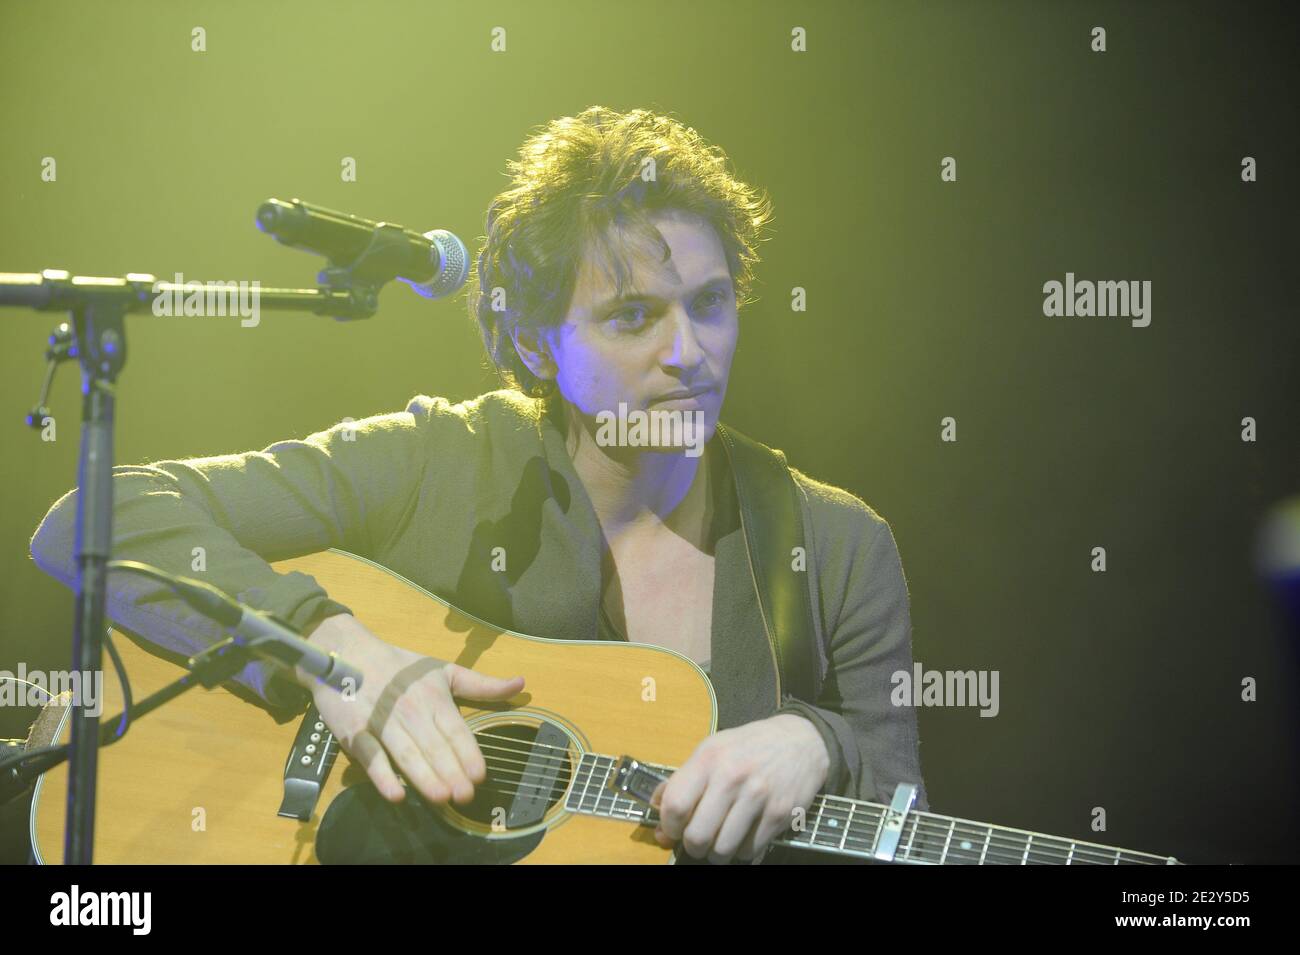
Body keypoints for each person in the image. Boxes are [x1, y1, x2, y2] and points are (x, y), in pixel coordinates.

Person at [29, 106, 928, 864]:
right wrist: (331, 652)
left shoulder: (838, 543)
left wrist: (824, 741)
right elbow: (91, 518)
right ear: (536, 342)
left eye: (710, 302)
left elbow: (907, 822)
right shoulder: (437, 458)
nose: (687, 352)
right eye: (632, 315)